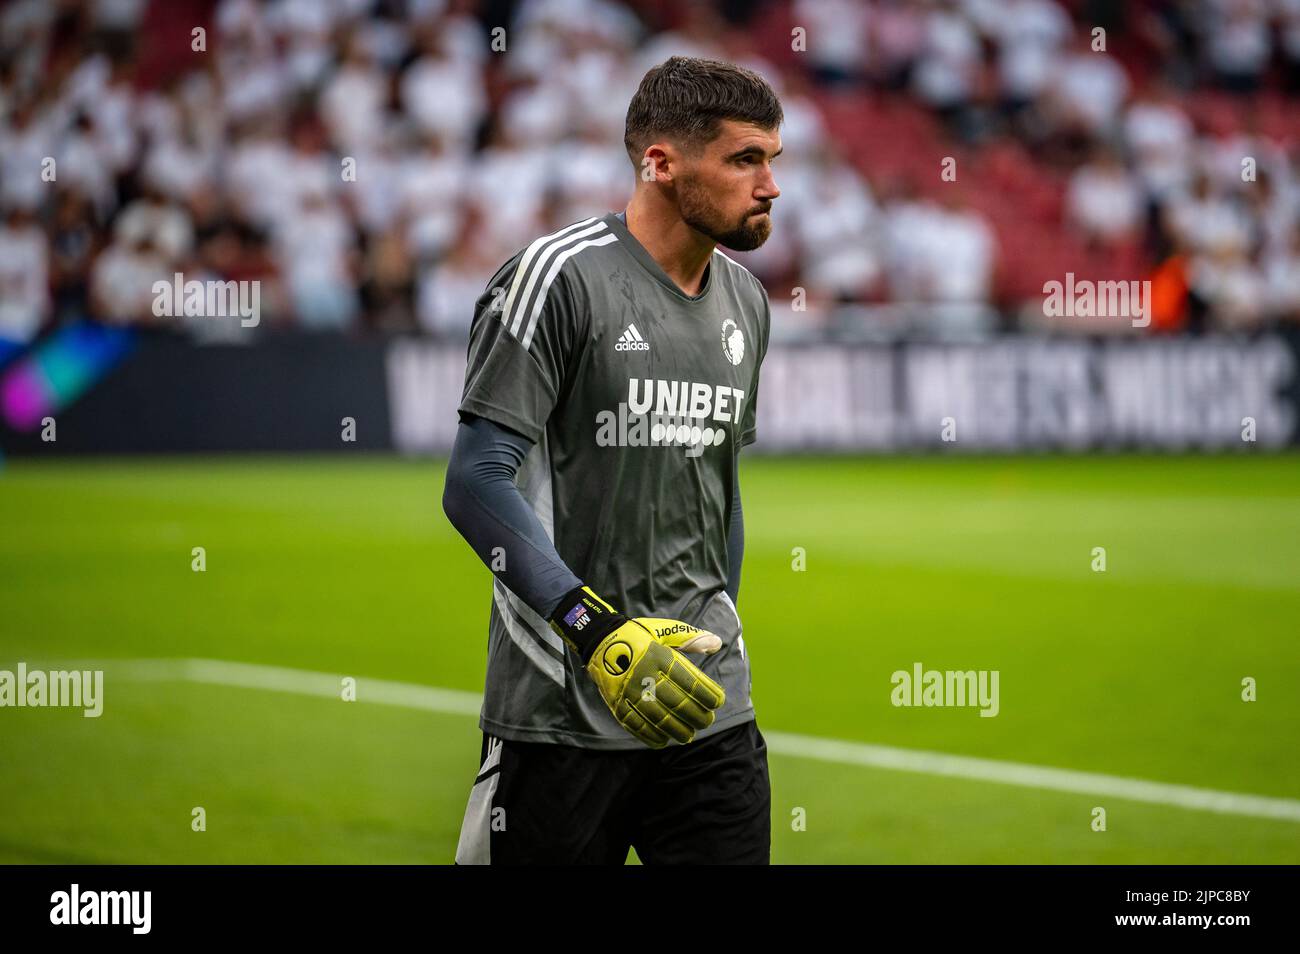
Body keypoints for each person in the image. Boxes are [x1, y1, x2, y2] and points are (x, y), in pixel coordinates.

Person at [443, 55, 782, 865]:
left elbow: (721, 489)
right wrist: (600, 637)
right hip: (561, 712)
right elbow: (474, 484)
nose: (769, 185)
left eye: (773, 160)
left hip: (706, 710)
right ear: (659, 163)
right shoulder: (556, 278)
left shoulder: (748, 301)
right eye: (745, 159)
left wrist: (719, 623)